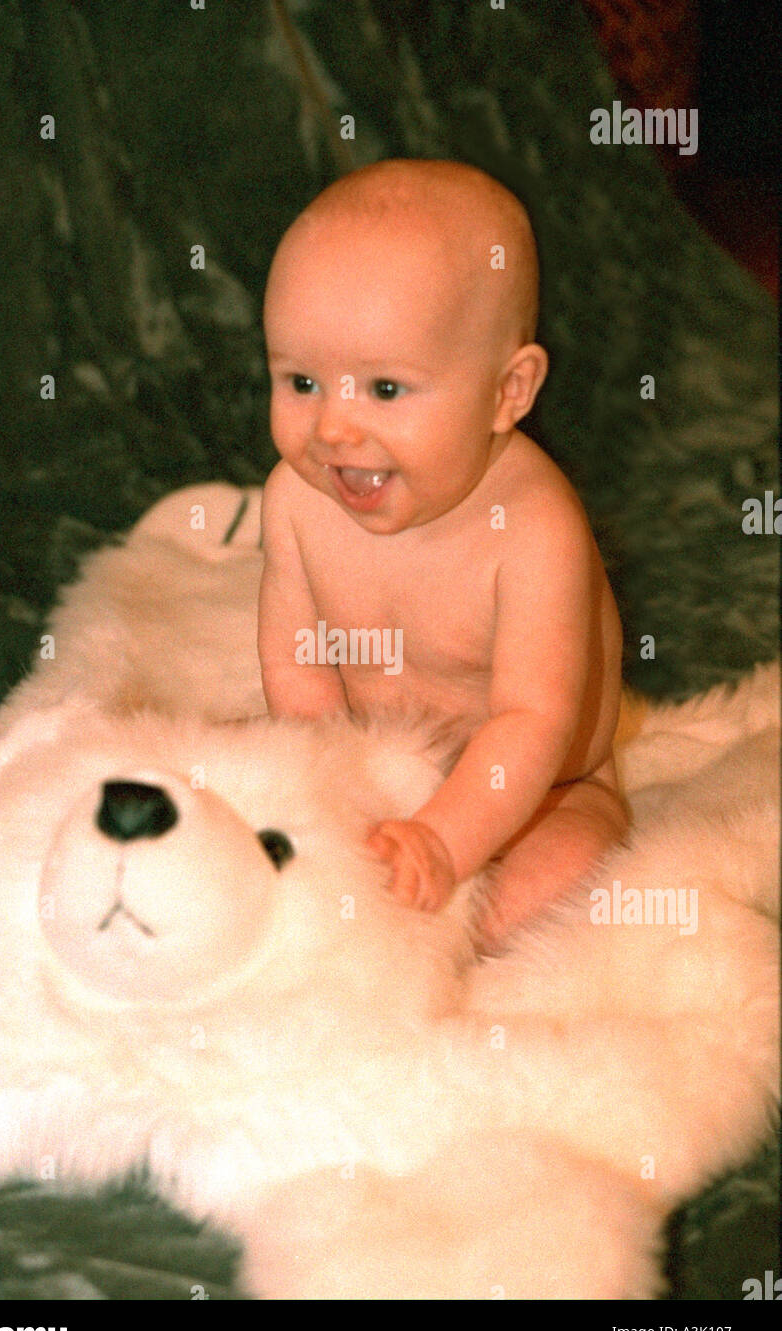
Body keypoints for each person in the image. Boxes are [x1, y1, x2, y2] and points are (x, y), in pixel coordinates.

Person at [258, 159, 628, 940]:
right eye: (300, 382)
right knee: (247, 809)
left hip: (543, 785)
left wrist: (445, 839)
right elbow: (299, 663)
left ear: (508, 393)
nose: (332, 429)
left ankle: (450, 956)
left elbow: (533, 719)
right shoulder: (295, 501)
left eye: (385, 390)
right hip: (380, 756)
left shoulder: (534, 529)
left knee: (553, 880)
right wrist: (342, 786)